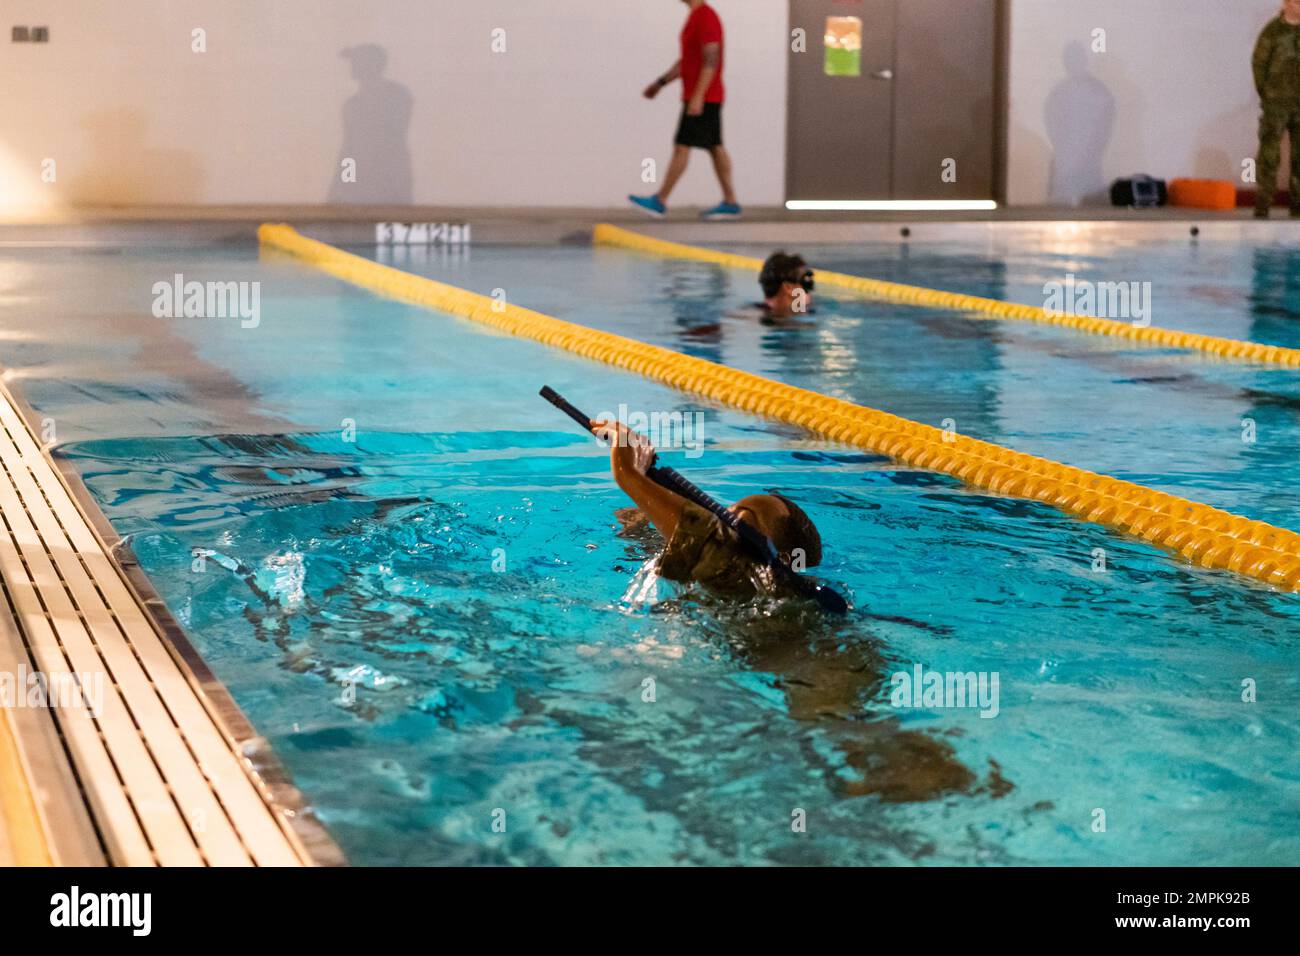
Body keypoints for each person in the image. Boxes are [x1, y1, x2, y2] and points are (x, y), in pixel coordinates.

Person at [590, 419, 820, 599]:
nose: (721, 524)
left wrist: (629, 475)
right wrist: (642, 519)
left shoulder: (789, 600)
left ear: (784, 560)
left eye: (740, 519)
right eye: (722, 517)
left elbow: (718, 549)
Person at [629, 0, 742, 221]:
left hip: (704, 97)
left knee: (683, 146)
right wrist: (660, 83)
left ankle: (660, 201)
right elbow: (688, 61)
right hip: (700, 96)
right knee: (714, 146)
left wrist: (699, 95)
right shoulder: (694, 17)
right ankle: (730, 202)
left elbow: (712, 58)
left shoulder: (706, 17)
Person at [1252, 0, 1300, 218]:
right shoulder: (1273, 31)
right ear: (1287, 3)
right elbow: (1259, 64)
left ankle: (1297, 207)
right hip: (1276, 104)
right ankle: (1263, 204)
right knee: (1269, 155)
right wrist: (1269, 94)